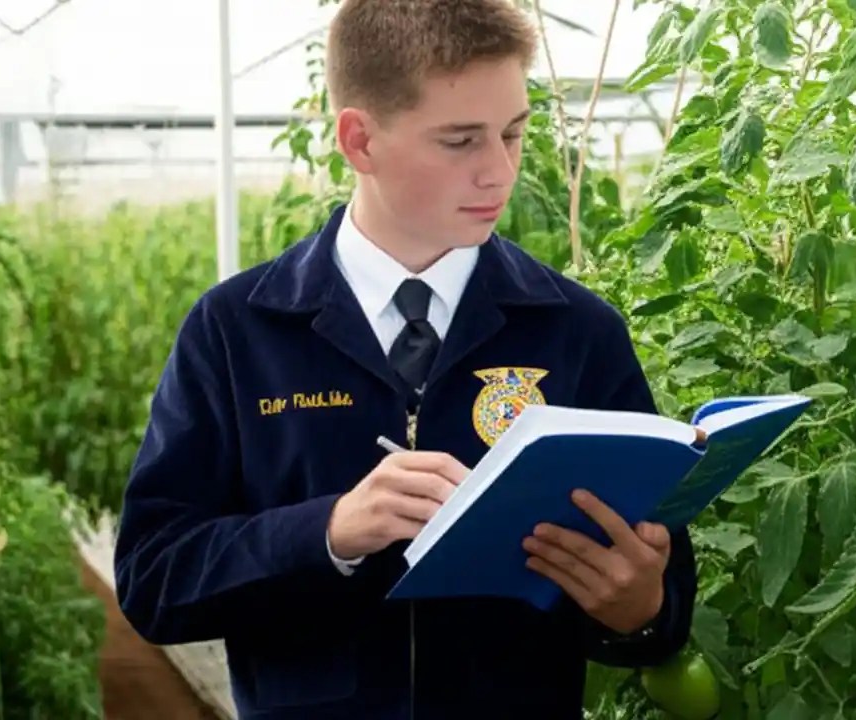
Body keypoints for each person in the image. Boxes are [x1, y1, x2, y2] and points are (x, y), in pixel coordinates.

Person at [111, 1, 698, 717]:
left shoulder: (576, 332)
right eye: (460, 141)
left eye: (513, 133)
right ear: (359, 141)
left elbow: (661, 603)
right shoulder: (237, 332)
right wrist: (328, 532)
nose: (500, 172)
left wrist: (640, 609)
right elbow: (153, 579)